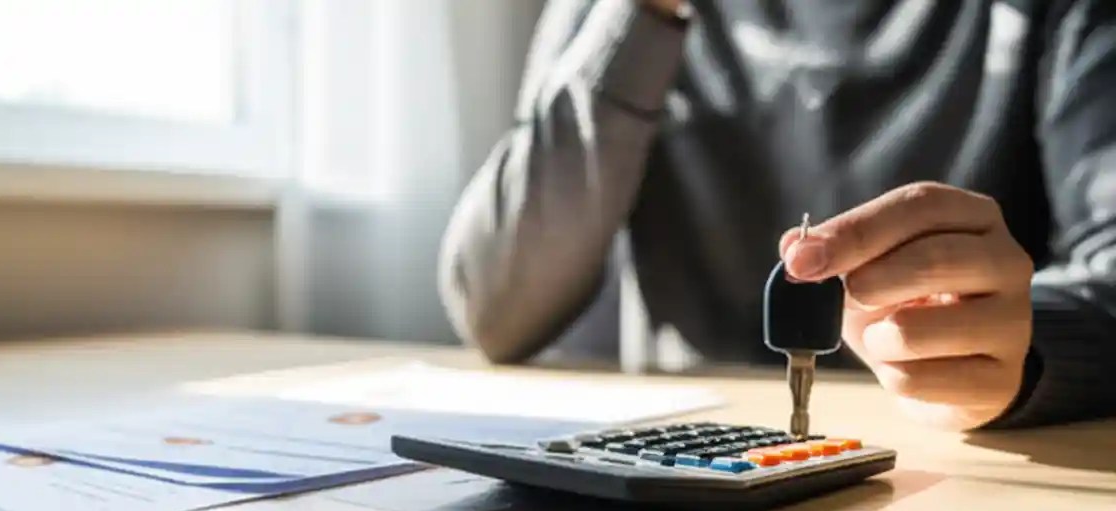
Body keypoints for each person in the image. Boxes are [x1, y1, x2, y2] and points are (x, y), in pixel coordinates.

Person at [437, 0, 1116, 431]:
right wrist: (640, 16)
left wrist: (1018, 353)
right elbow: (498, 310)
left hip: (959, 473)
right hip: (686, 465)